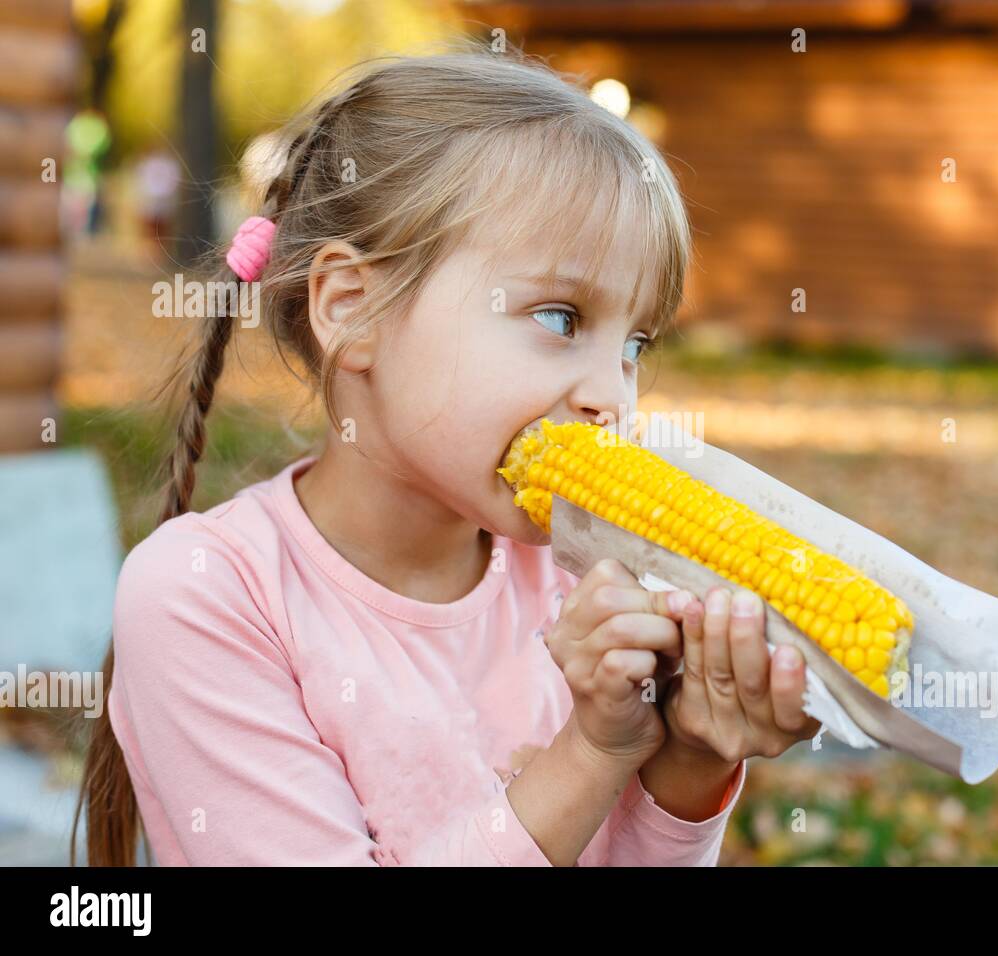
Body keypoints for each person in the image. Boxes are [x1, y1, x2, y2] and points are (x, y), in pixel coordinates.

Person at [73, 42, 821, 867]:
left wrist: (688, 761)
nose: (614, 396)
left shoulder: (581, 584)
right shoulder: (210, 597)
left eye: (635, 343)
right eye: (562, 319)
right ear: (352, 309)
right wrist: (592, 753)